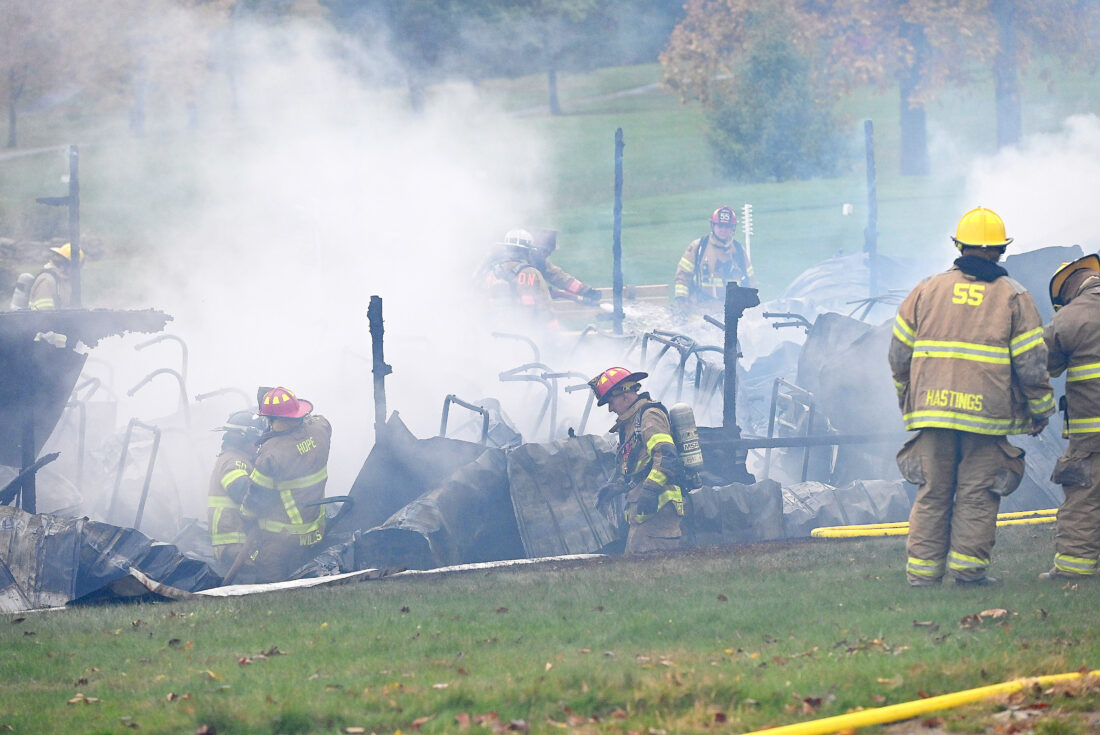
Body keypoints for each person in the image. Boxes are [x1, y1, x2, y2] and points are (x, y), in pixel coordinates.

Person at [888, 206, 1054, 587]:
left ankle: (923, 577)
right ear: (999, 251)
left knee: (932, 492)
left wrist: (907, 399)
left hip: (932, 413)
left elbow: (899, 355)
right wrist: (1040, 410)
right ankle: (967, 574)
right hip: (985, 417)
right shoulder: (1014, 297)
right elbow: (1031, 363)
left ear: (959, 246)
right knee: (977, 495)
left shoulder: (926, 290)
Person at [1041, 253, 1100, 580]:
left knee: (1083, 496)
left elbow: (1043, 366)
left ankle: (1073, 570)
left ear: (1067, 292)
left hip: (1092, 435)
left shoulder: (1071, 317)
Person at [240, 386, 332, 582]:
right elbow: (318, 419)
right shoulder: (320, 429)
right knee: (306, 579)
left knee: (271, 584)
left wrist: (246, 517)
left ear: (271, 420)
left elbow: (256, 498)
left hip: (283, 537)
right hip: (315, 529)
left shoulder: (271, 453)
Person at [589, 367, 685, 553]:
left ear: (625, 396)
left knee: (649, 571)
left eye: (611, 401)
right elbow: (640, 466)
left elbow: (666, 457)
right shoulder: (631, 423)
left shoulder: (649, 416)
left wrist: (649, 490)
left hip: (659, 510)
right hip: (645, 512)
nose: (610, 408)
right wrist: (618, 486)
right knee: (636, 570)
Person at [478, 229, 600, 331]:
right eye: (548, 251)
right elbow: (545, 302)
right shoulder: (530, 263)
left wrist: (586, 291)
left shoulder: (533, 261)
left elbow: (559, 277)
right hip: (518, 320)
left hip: (502, 322)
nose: (548, 254)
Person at [672, 206, 755, 317]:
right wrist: (681, 301)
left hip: (730, 313)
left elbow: (750, 281)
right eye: (720, 225)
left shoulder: (739, 251)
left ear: (732, 228)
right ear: (713, 225)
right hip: (698, 311)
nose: (723, 230)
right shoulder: (698, 247)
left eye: (727, 226)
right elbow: (682, 277)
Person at [207, 410, 265, 569]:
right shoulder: (233, 461)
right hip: (233, 544)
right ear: (243, 441)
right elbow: (243, 492)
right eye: (257, 442)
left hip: (237, 541)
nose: (259, 447)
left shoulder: (238, 458)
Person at [28, 243, 82, 347]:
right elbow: (42, 321)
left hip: (58, 343)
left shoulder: (63, 281)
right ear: (65, 265)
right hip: (41, 345)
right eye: (75, 267)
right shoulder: (47, 281)